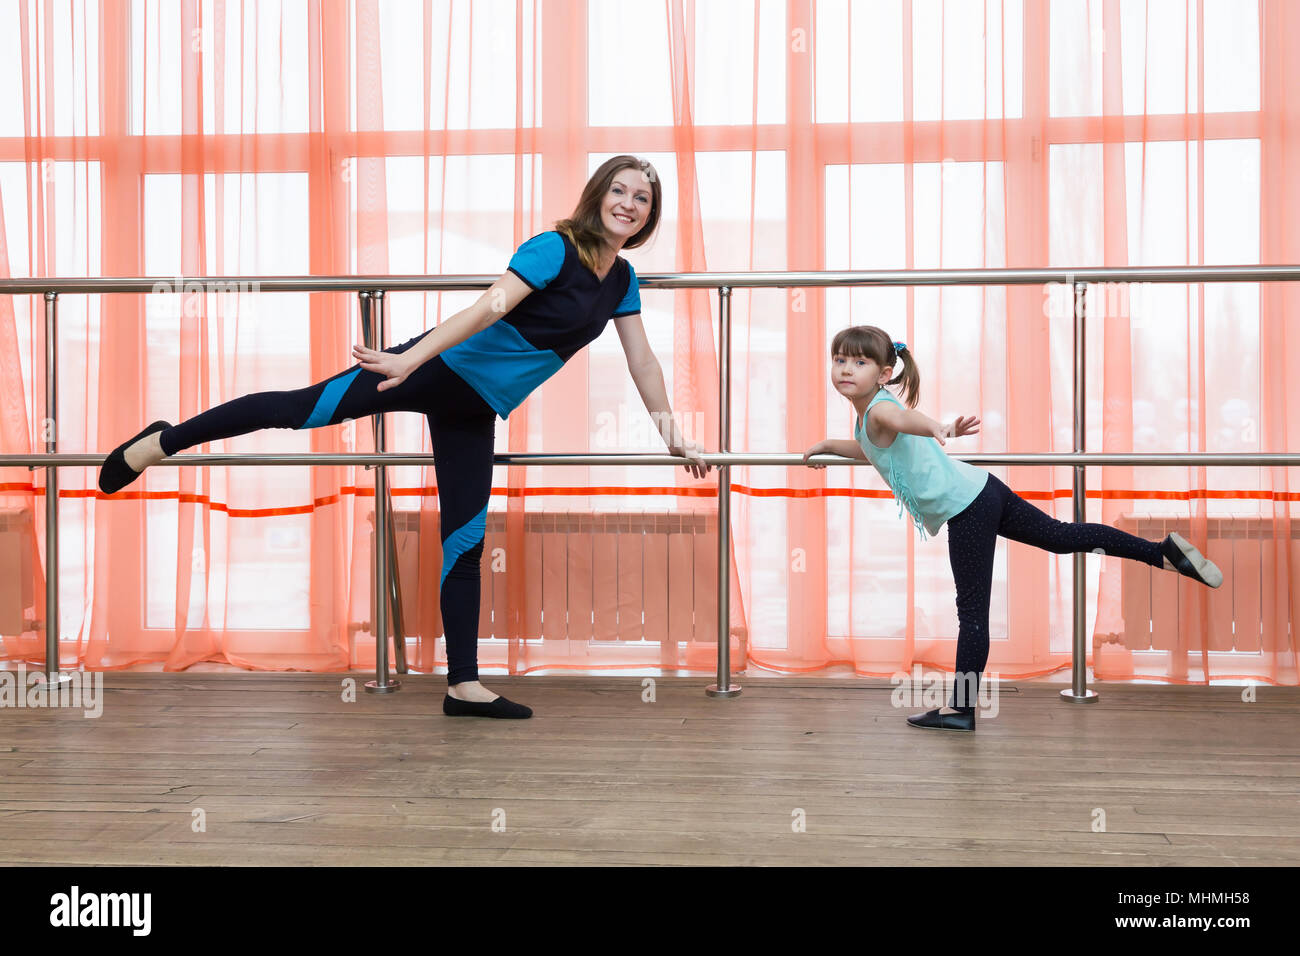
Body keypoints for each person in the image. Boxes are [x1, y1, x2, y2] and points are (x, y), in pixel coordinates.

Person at [99, 155, 710, 719]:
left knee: (465, 537)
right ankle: (160, 442)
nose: (629, 203)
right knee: (298, 409)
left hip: (477, 410)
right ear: (597, 194)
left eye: (643, 198)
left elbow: (644, 362)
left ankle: (463, 685)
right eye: (619, 189)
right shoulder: (555, 249)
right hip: (433, 370)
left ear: (650, 217)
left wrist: (671, 434)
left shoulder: (622, 280)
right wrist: (408, 360)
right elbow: (490, 307)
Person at [802, 325, 1222, 732]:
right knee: (1061, 536)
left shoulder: (880, 408)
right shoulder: (868, 418)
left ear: (884, 373)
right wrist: (828, 445)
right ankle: (1163, 553)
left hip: (967, 508)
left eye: (859, 362)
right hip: (983, 489)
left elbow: (906, 420)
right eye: (840, 360)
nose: (845, 369)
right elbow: (873, 449)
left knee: (972, 612)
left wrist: (939, 428)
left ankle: (960, 710)